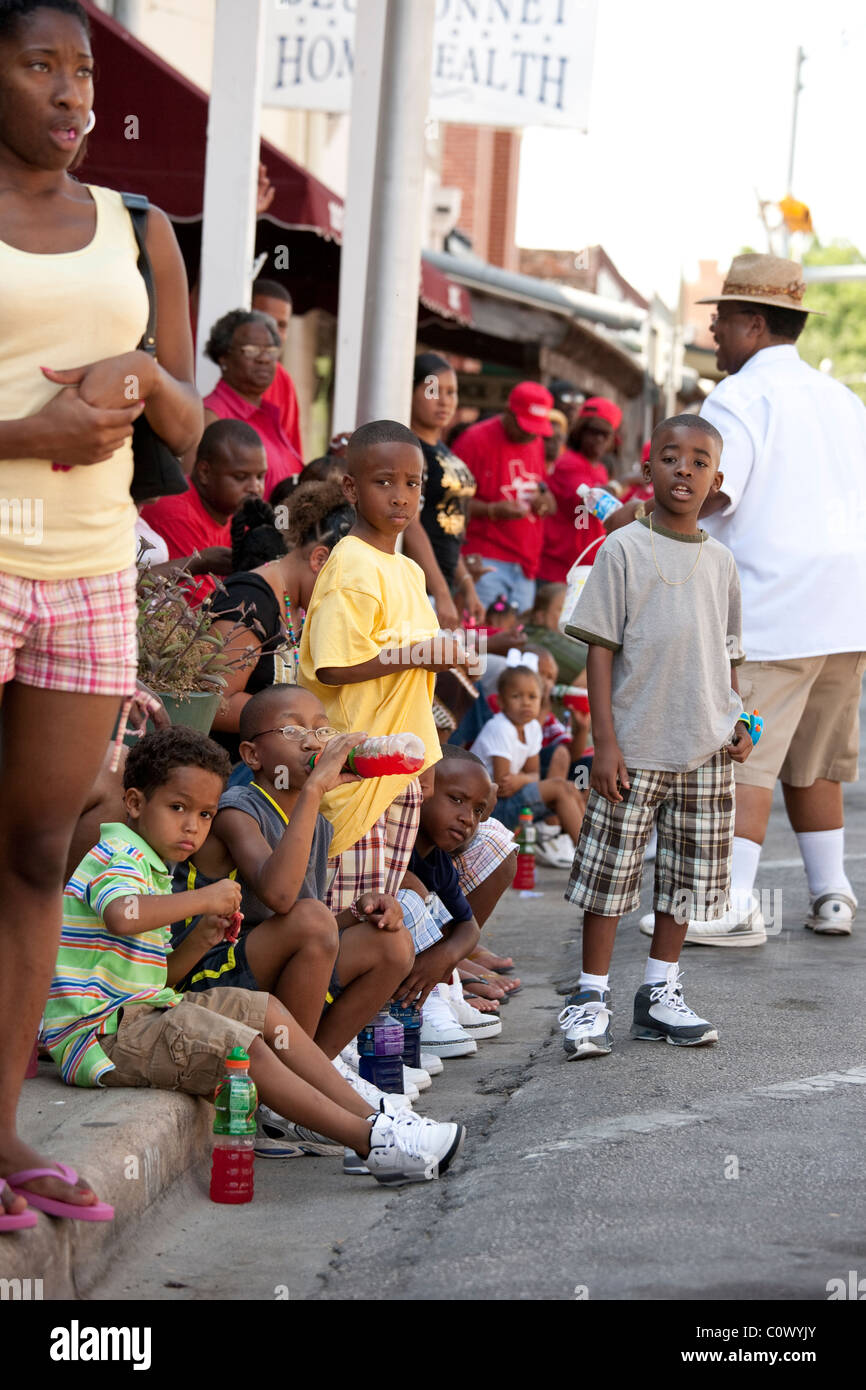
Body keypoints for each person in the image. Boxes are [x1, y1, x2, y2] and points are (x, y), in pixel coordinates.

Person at [0, 0, 203, 1229]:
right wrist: (27, 433)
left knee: (36, 850)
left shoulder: (139, 226)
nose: (74, 96)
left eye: (83, 73)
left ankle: (3, 1132)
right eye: (40, 69)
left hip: (86, 570)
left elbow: (192, 424)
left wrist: (138, 380)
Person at [41, 726, 464, 1187]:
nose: (192, 827)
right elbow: (123, 915)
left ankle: (375, 1120)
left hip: (142, 1011)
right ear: (137, 804)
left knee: (265, 1012)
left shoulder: (154, 865)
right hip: (102, 1036)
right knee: (244, 1047)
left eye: (204, 815)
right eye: (177, 808)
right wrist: (204, 902)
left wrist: (201, 938)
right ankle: (370, 1143)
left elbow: (160, 975)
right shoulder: (118, 853)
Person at [676, 253, 866, 945]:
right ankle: (833, 894)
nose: (715, 333)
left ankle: (730, 901)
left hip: (773, 606)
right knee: (815, 759)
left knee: (745, 756)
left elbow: (708, 491)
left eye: (721, 319)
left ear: (753, 323)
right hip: (847, 610)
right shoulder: (844, 399)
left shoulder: (739, 399)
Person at [558, 414, 753, 1061]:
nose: (685, 471)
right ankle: (589, 997)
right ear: (647, 468)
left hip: (705, 748)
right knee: (609, 876)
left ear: (716, 481)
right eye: (672, 458)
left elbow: (728, 657)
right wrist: (605, 743)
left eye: (700, 462)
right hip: (635, 745)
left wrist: (740, 723)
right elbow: (600, 653)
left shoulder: (722, 561)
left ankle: (658, 993)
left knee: (687, 878)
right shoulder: (622, 551)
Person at [172, 687, 417, 1096]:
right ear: (252, 755)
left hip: (263, 968)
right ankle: (293, 1093)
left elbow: (307, 929)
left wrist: (360, 912)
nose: (310, 741)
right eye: (290, 729)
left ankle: (315, 1078)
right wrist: (314, 791)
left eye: (322, 732)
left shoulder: (316, 825)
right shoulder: (237, 809)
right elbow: (283, 900)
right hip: (202, 971)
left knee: (391, 943)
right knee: (312, 917)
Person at [299, 420, 473, 912]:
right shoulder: (351, 563)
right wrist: (422, 654)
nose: (401, 496)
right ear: (351, 488)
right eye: (384, 482)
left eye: (412, 484)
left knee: (381, 908)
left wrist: (427, 761)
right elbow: (334, 666)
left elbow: (407, 673)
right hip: (358, 769)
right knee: (347, 914)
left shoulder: (409, 569)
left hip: (401, 766)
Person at [209, 481, 355, 764]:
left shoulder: (297, 608)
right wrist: (302, 728)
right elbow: (215, 704)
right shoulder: (249, 598)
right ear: (319, 559)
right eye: (347, 585)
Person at [455, 382, 557, 612]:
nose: (530, 433)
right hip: (485, 560)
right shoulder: (475, 439)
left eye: (536, 428)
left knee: (514, 643)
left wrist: (545, 501)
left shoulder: (536, 442)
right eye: (524, 426)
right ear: (508, 412)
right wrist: (493, 510)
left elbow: (540, 486)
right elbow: (449, 502)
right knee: (480, 639)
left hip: (526, 565)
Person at [139, 419, 267, 602]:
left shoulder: (233, 511)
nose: (255, 487)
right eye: (241, 477)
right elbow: (204, 611)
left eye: (261, 477)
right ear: (205, 472)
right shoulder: (177, 514)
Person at [403, 352, 484, 626]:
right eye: (433, 391)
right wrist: (440, 591)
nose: (445, 400)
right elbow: (410, 524)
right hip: (415, 588)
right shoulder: (409, 450)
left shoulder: (445, 451)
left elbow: (449, 524)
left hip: (442, 586)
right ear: (410, 391)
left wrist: (466, 584)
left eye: (452, 392)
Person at [470, 663, 585, 846]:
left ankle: (589, 849)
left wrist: (521, 780)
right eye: (516, 696)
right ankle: (585, 854)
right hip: (487, 809)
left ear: (541, 700)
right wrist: (524, 778)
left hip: (510, 799)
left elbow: (534, 774)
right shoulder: (500, 728)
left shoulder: (532, 728)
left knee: (570, 787)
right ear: (501, 702)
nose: (526, 702)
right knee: (560, 788)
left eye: (533, 697)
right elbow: (503, 785)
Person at [202, 309, 302, 499]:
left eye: (271, 351)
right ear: (224, 357)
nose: (264, 358)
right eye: (251, 350)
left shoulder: (269, 414)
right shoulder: (212, 416)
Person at [538, 396, 622, 585]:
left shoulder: (600, 469)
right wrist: (623, 483)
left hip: (587, 568)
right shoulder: (569, 463)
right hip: (559, 569)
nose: (599, 439)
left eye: (606, 434)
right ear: (580, 432)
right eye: (594, 432)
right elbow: (591, 500)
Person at [251, 278, 303, 461]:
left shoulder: (283, 381)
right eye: (266, 321)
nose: (273, 333)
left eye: (281, 326)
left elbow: (290, 456)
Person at [522, 581, 587, 686]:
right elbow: (594, 674)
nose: (571, 616)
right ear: (541, 616)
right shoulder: (542, 638)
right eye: (564, 610)